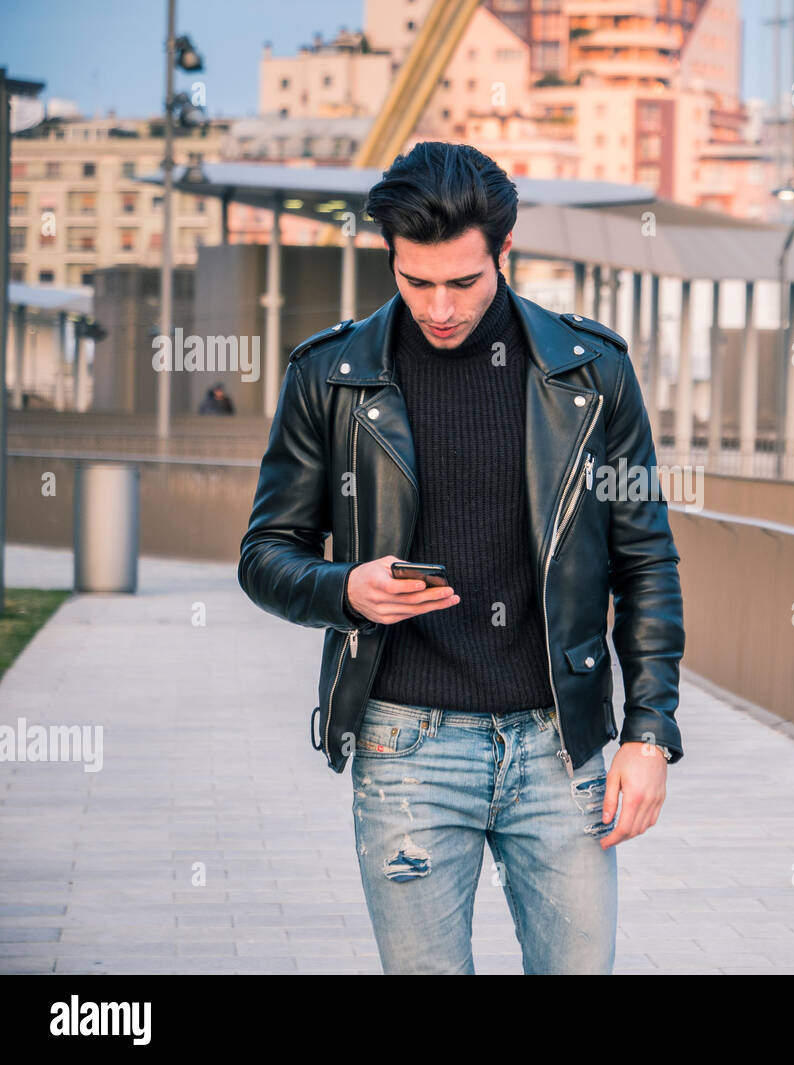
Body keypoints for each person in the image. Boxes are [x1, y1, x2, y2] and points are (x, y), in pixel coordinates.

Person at [236, 141, 685, 975]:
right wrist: (345, 589)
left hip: (563, 745)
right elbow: (266, 554)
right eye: (416, 282)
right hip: (407, 743)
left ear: (505, 252)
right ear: (388, 257)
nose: (439, 308)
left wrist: (649, 733)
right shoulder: (329, 378)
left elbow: (647, 557)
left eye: (464, 282)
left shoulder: (591, 372)